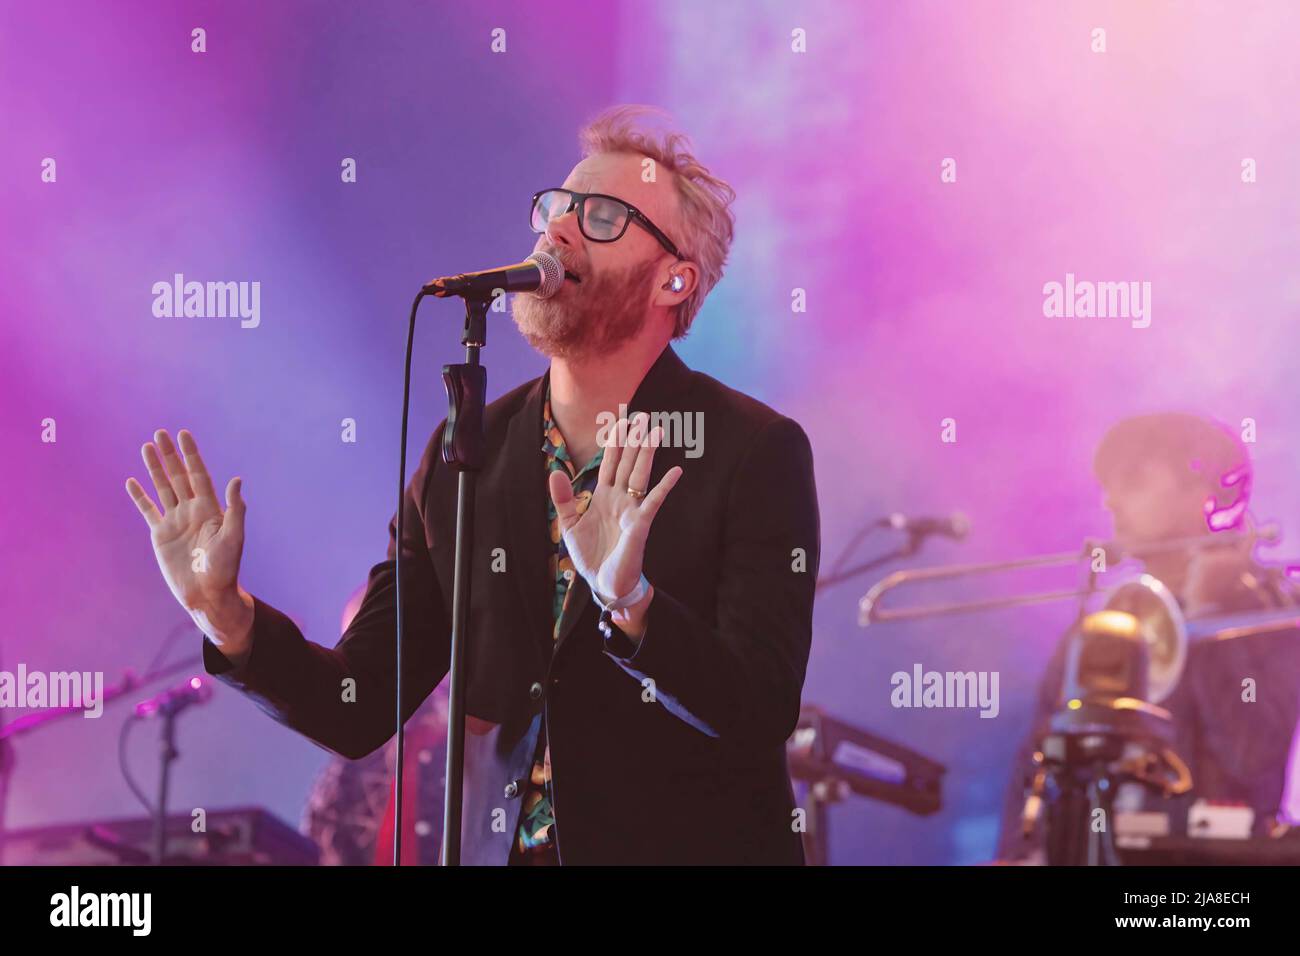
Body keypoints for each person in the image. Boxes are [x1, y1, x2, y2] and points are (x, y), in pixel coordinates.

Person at [124, 105, 821, 865]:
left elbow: (760, 708)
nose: (560, 228)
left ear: (673, 278)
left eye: (602, 217)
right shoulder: (468, 455)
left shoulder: (752, 450)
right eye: (556, 208)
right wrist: (229, 618)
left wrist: (633, 606)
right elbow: (360, 701)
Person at [998, 412, 1300, 860]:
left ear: (1207, 494)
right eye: (1107, 487)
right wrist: (1020, 853)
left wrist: (1211, 612)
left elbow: (1252, 760)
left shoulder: (1273, 615)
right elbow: (1039, 766)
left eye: (1134, 482)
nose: (1110, 502)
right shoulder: (1107, 623)